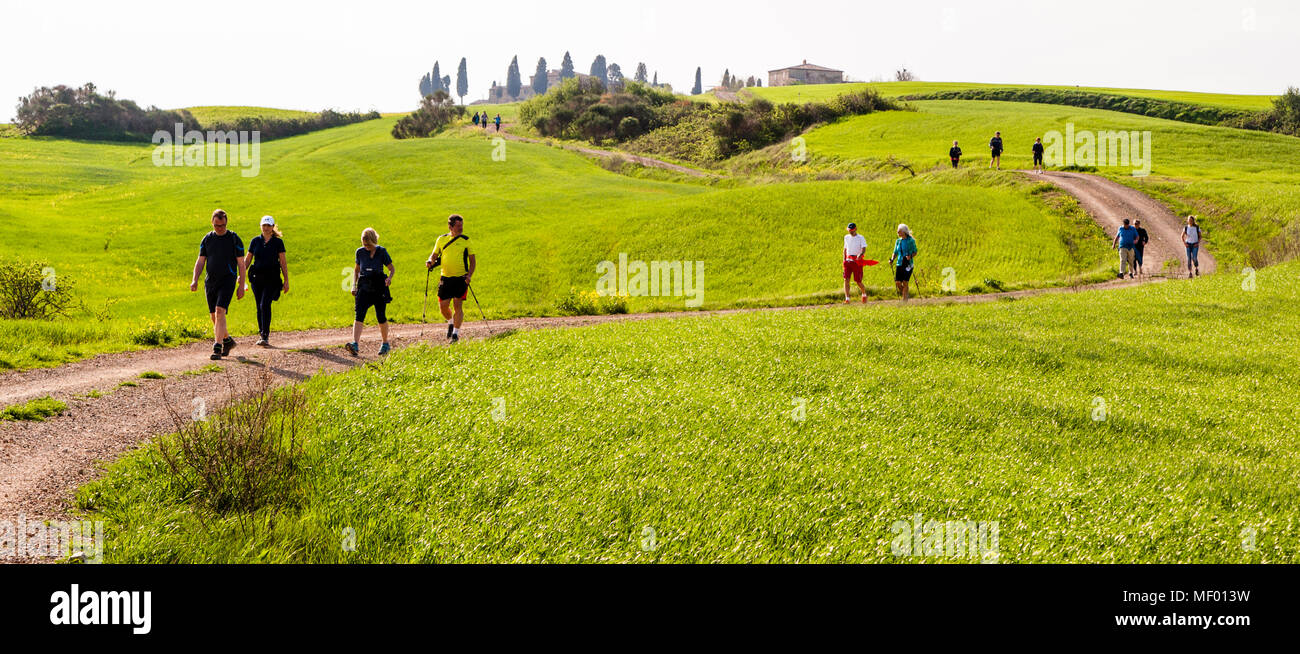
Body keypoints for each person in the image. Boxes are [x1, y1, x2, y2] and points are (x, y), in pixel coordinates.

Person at [190, 209, 246, 360]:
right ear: (212, 223)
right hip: (211, 282)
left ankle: (217, 347)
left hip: (228, 280)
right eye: (216, 225)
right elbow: (200, 261)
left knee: (220, 311)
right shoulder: (207, 239)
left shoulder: (234, 239)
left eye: (222, 225)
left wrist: (241, 285)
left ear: (226, 223)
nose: (219, 228)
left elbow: (241, 264)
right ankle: (227, 341)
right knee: (214, 317)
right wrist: (195, 279)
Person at [426, 214, 476, 343]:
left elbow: (473, 261)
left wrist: (469, 275)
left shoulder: (466, 240)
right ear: (450, 226)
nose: (461, 228)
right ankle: (450, 322)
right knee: (443, 306)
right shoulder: (441, 240)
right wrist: (430, 261)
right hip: (446, 278)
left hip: (461, 278)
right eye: (458, 226)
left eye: (462, 225)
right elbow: (434, 254)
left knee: (457, 305)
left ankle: (455, 334)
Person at [346, 228, 395, 356]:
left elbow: (391, 269)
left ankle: (385, 344)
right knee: (359, 314)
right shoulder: (360, 252)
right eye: (364, 244)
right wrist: (354, 286)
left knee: (381, 316)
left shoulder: (382, 252)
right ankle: (355, 344)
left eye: (368, 244)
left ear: (373, 241)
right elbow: (356, 271)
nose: (366, 247)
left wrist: (389, 279)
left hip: (379, 286)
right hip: (364, 286)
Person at [243, 216, 289, 346]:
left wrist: (286, 280)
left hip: (272, 279)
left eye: (268, 225)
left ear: (272, 226)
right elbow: (248, 260)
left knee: (264, 304)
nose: (266, 228)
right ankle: (261, 333)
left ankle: (265, 335)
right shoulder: (255, 241)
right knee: (259, 306)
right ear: (261, 226)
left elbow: (283, 263)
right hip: (257, 279)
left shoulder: (278, 243)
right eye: (264, 225)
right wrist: (241, 275)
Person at [889, 224, 918, 302]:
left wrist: (910, 256)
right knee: (898, 282)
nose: (897, 232)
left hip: (908, 264)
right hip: (899, 263)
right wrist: (892, 259)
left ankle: (905, 300)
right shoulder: (898, 241)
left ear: (904, 232)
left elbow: (915, 252)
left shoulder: (911, 241)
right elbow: (895, 252)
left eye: (899, 230)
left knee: (905, 282)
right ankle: (905, 293)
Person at [843, 222, 868, 304]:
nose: (850, 232)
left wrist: (860, 255)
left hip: (857, 261)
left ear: (855, 229)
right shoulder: (846, 237)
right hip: (848, 260)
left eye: (852, 230)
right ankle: (847, 298)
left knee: (858, 281)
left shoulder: (860, 238)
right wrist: (844, 260)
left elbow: (864, 249)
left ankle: (864, 294)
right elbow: (845, 250)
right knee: (846, 279)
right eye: (849, 230)